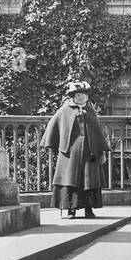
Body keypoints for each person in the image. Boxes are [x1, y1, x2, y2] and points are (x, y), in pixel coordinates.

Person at [40, 79, 108, 219]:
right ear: (72, 96)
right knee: (71, 180)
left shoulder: (90, 111)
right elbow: (54, 124)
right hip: (71, 153)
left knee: (89, 181)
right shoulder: (65, 110)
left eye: (83, 94)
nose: (81, 97)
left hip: (90, 153)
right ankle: (71, 210)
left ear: (87, 96)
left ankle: (89, 210)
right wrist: (56, 144)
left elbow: (97, 132)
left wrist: (102, 151)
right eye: (78, 95)